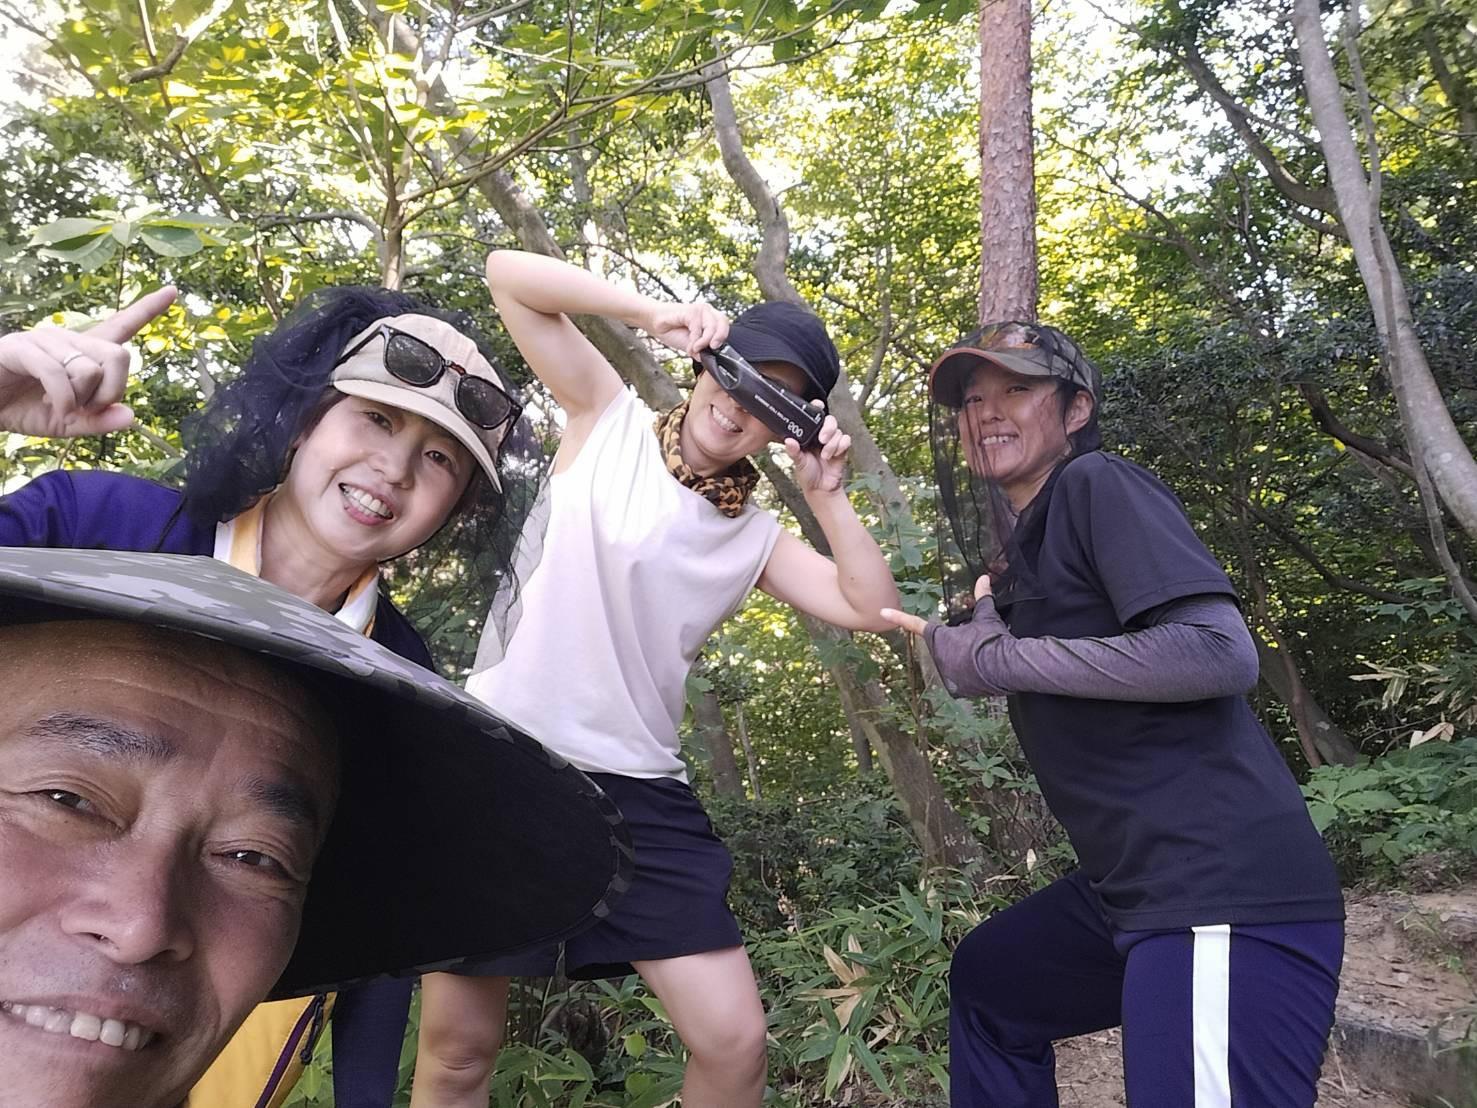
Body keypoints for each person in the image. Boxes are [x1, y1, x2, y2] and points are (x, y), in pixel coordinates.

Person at [0, 284, 545, 1107]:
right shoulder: (92, 521)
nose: (392, 469)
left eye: (440, 458)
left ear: (455, 507)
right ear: (303, 422)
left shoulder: (399, 670)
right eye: (377, 419)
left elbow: (374, 914)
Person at [405, 249, 902, 1108]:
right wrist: (650, 312)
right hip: (497, 758)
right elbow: (508, 275)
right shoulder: (607, 418)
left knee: (735, 1044)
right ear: (709, 362)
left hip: (638, 788)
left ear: (788, 427)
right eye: (738, 376)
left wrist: (827, 497)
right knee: (458, 1055)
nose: (738, 408)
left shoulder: (752, 539)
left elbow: (870, 605)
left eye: (771, 402)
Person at [880, 321, 1345, 1107]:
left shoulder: (1098, 485)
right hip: (1129, 892)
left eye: (1016, 389)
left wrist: (994, 661)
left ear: (1073, 410)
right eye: (971, 398)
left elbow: (1214, 653)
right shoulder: (1022, 551)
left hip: (1219, 892)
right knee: (994, 985)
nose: (986, 411)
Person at [0, 546, 632, 1108]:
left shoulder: (404, 640)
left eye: (253, 856)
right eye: (65, 799)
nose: (142, 926)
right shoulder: (110, 512)